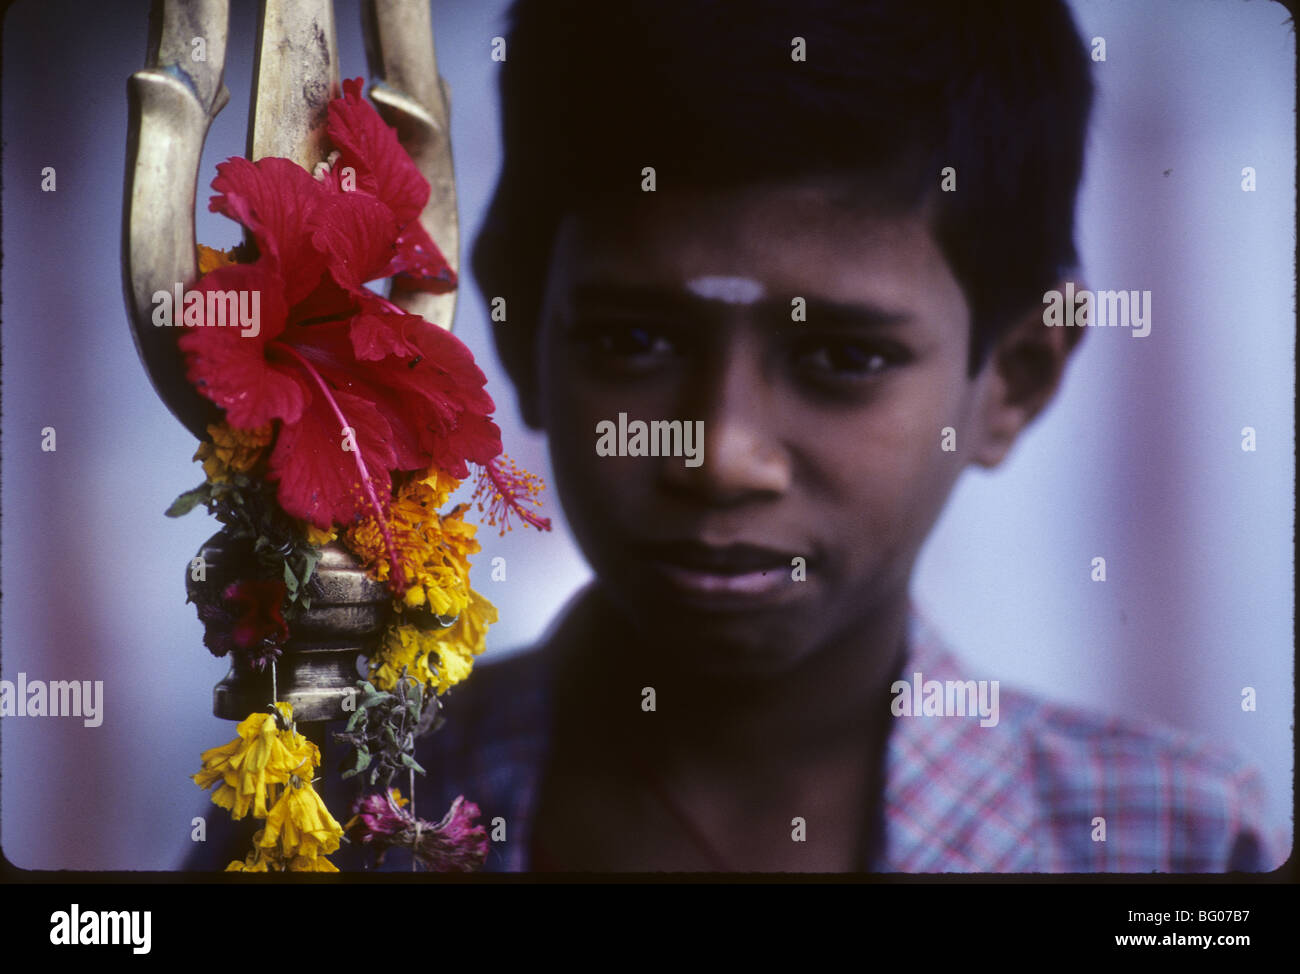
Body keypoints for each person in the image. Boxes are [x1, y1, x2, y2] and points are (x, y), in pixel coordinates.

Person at [184, 0, 1276, 872]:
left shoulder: (1174, 848)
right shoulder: (321, 820)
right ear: (515, 334)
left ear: (1014, 380)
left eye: (842, 358)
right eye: (634, 338)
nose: (718, 455)